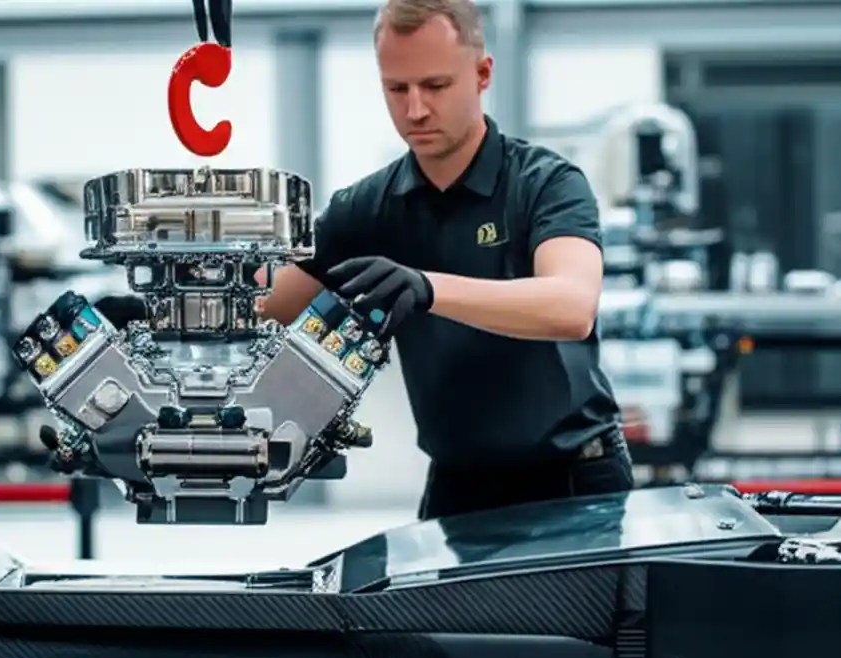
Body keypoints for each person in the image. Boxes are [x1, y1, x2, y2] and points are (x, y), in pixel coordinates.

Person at [256, 0, 634, 521]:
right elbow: (265, 303)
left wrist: (427, 288)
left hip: (573, 481)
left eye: (435, 86)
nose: (415, 110)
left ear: (482, 75)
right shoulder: (369, 208)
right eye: (397, 89)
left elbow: (570, 307)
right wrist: (155, 304)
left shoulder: (545, 183)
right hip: (456, 484)